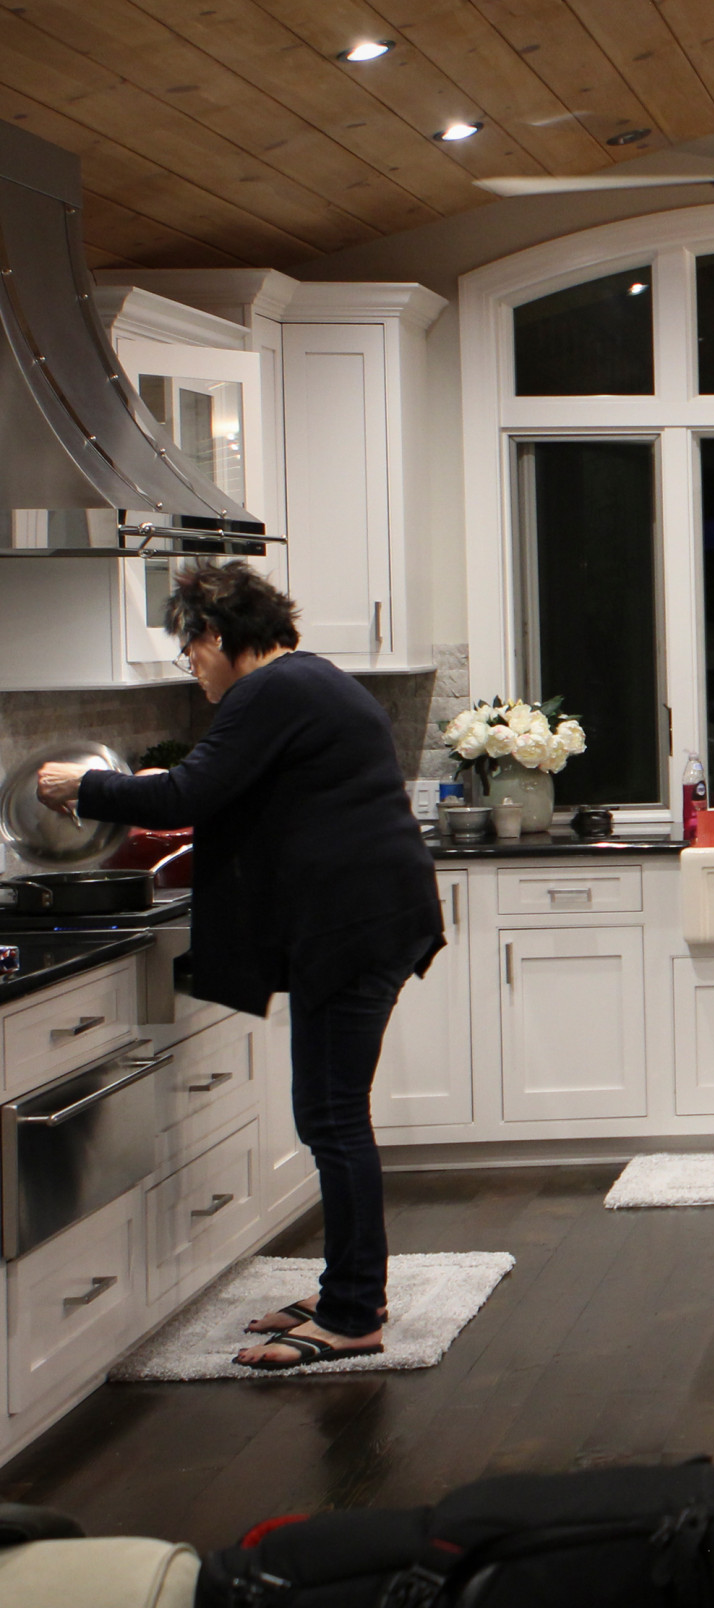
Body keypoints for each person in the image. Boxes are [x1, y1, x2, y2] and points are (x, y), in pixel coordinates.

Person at [37, 563, 443, 1372]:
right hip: (371, 920)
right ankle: (349, 1288)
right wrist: (161, 783)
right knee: (334, 1116)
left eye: (190, 650)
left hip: (353, 930)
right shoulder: (309, 682)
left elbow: (188, 796)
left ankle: (354, 1312)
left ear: (215, 634)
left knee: (331, 1119)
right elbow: (229, 785)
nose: (191, 666)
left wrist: (84, 786)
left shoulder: (270, 692)